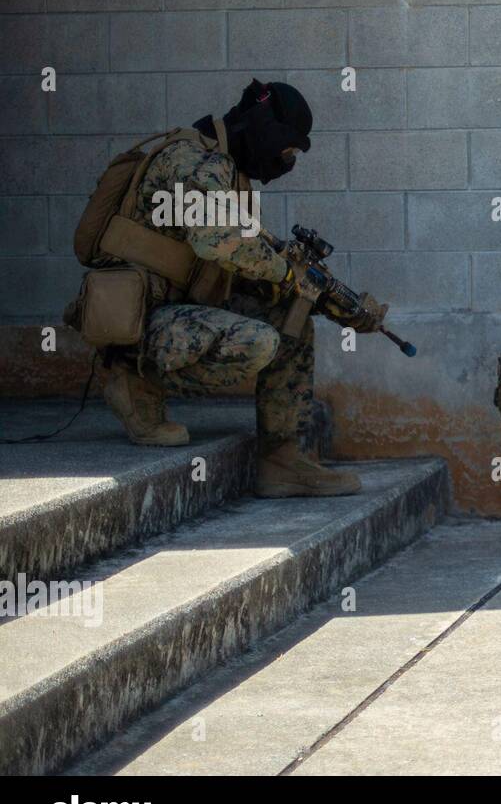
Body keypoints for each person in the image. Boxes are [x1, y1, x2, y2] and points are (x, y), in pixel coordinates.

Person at [84, 79, 386, 497]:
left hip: (176, 309)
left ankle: (281, 461)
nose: (287, 160)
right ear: (265, 131)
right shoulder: (193, 160)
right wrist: (285, 273)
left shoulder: (225, 169)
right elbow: (218, 239)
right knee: (259, 340)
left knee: (290, 321)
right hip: (139, 320)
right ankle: (132, 377)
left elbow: (248, 257)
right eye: (287, 149)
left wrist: (321, 298)